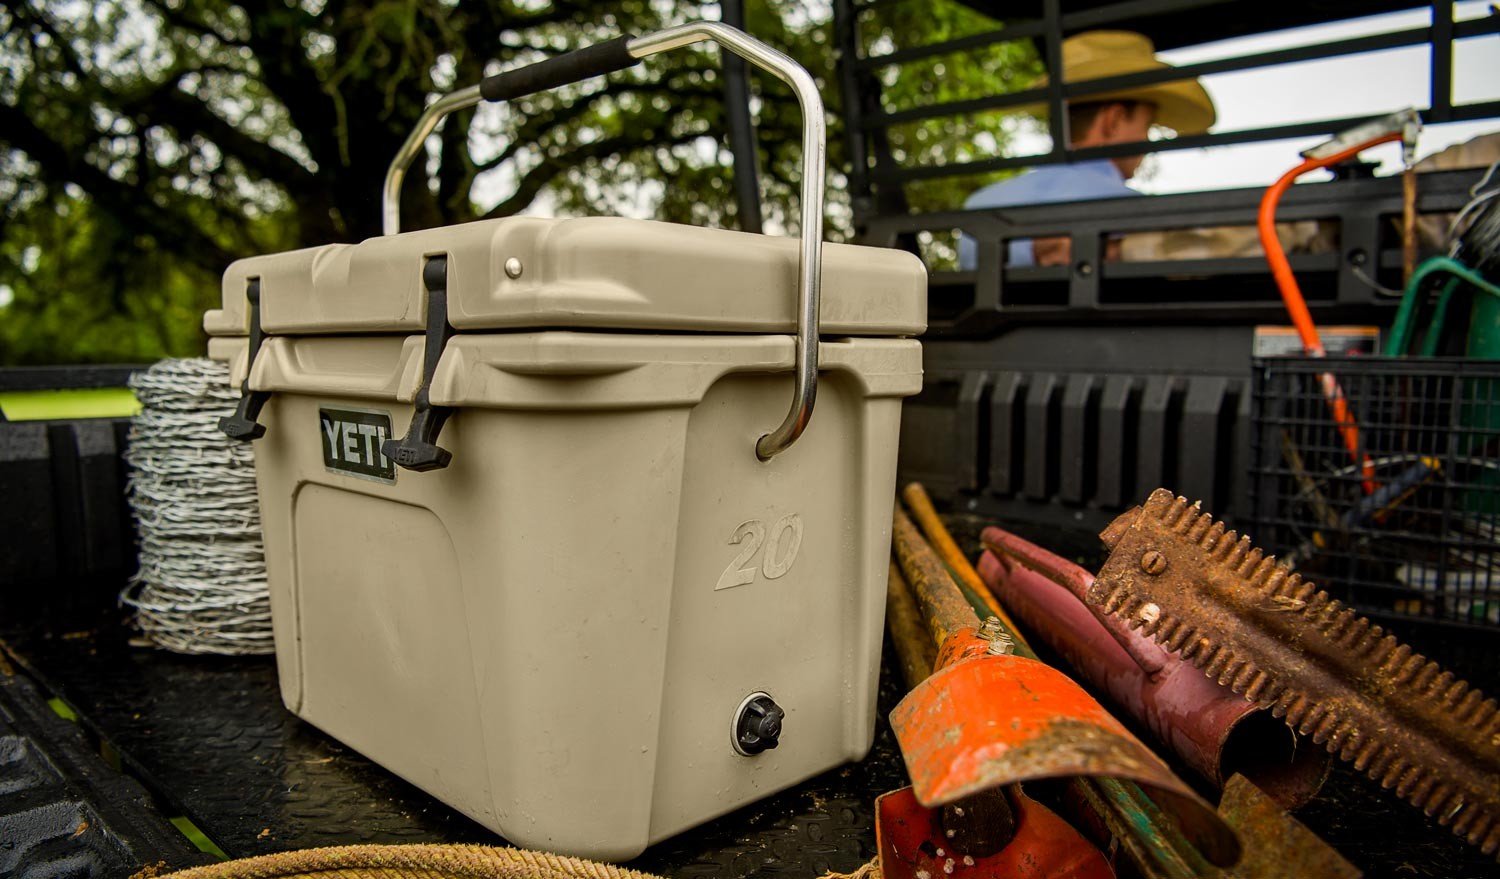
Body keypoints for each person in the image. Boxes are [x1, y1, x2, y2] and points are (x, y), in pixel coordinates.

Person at [958, 31, 1217, 269]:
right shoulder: (1143, 214)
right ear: (1112, 121)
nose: (1147, 142)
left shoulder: (982, 206)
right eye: (1146, 125)